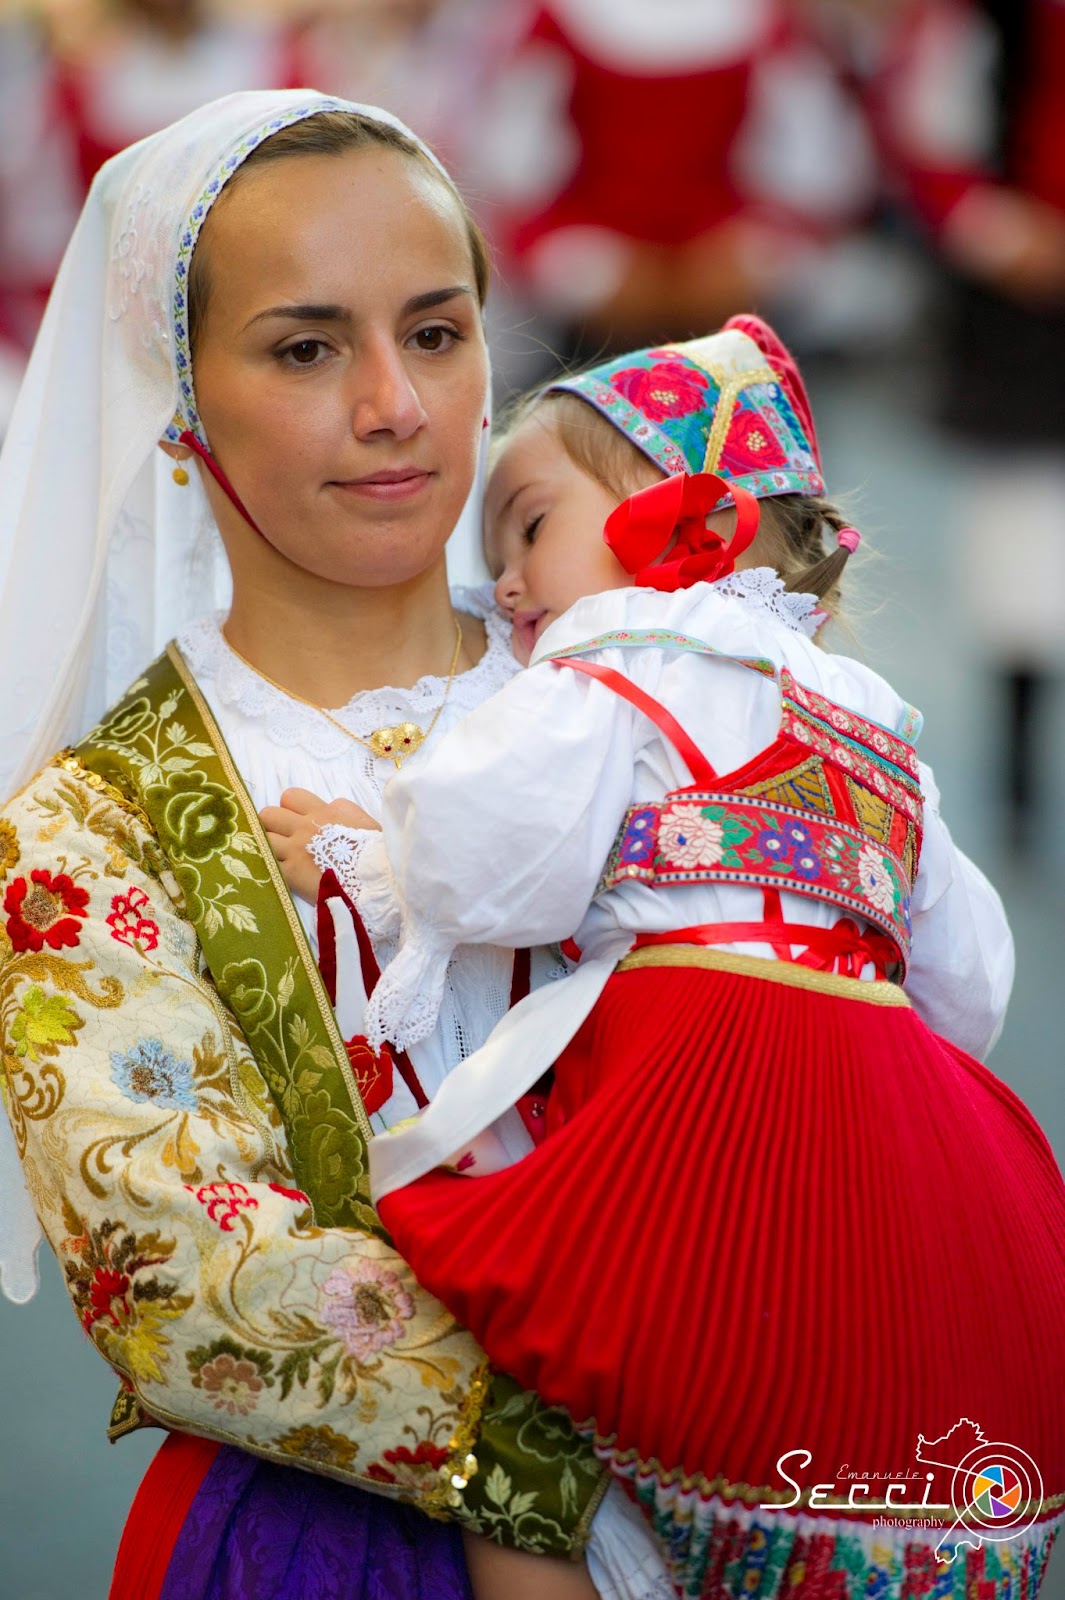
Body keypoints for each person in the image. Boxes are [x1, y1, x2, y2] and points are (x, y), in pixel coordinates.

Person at [0, 90, 673, 1600]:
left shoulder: (660, 695)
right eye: (307, 348)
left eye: (436, 333)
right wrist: (557, 1479)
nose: (397, 405)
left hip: (772, 1471)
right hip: (353, 1539)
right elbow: (188, 1281)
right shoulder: (98, 825)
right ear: (180, 398)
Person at [273, 317, 1065, 1597]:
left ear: (669, 513)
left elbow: (491, 864)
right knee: (862, 1410)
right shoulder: (874, 720)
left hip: (697, 1092)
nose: (511, 586)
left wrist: (382, 852)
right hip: (895, 1123)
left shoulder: (622, 656)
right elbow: (970, 980)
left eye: (526, 525)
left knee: (551, 1402)